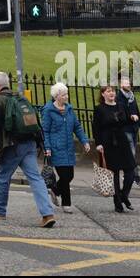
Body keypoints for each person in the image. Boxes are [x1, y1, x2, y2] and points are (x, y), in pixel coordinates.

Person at [0, 72, 56, 227]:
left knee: (3, 176)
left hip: (12, 145)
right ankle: (47, 213)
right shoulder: (21, 98)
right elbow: (33, 120)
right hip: (29, 143)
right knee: (36, 178)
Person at [41, 81, 91, 213]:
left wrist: (84, 141)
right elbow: (44, 131)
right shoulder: (48, 110)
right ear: (57, 96)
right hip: (56, 148)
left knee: (70, 176)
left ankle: (55, 190)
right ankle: (66, 204)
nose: (66, 97)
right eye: (64, 95)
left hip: (69, 148)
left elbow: (77, 126)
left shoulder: (69, 109)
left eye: (66, 94)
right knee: (64, 176)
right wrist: (47, 148)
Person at [94, 84, 137, 212]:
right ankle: (117, 202)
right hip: (108, 142)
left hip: (122, 140)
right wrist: (99, 144)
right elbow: (96, 128)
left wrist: (132, 118)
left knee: (130, 170)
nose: (111, 93)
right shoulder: (99, 109)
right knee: (115, 174)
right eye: (108, 91)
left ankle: (124, 195)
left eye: (112, 91)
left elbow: (126, 120)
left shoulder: (121, 106)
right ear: (103, 94)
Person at [117, 76, 140, 186]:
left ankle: (126, 173)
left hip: (134, 129)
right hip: (125, 129)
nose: (129, 84)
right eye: (126, 83)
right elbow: (121, 112)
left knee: (130, 154)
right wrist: (130, 117)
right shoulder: (119, 97)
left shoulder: (132, 97)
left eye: (129, 83)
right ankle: (136, 177)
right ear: (121, 85)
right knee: (132, 153)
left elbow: (137, 111)